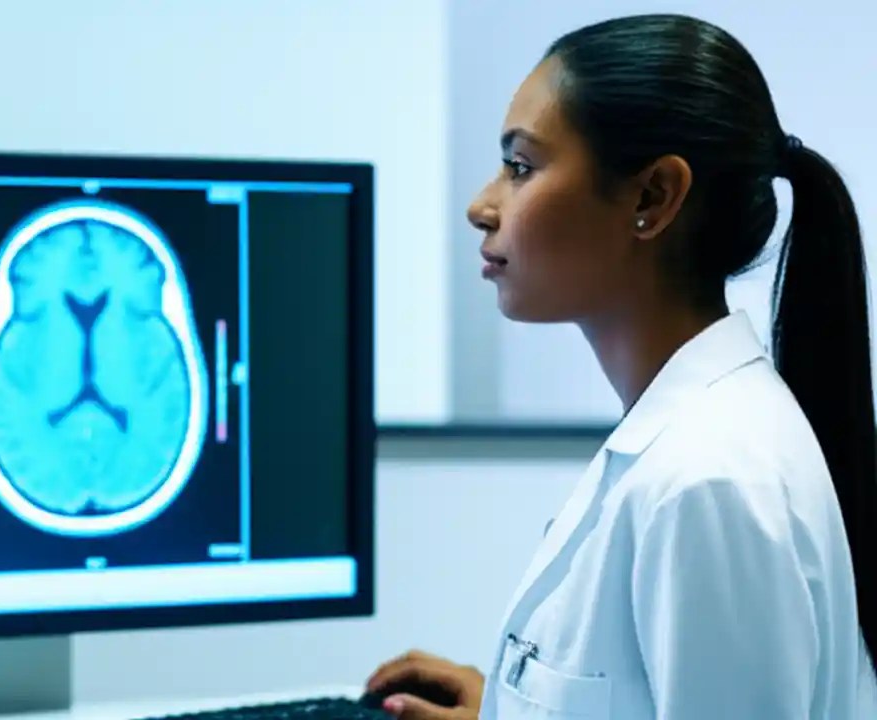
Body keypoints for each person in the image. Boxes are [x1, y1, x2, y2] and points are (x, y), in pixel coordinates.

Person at [364, 13, 877, 720]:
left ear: (651, 197)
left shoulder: (708, 480)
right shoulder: (682, 441)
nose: (481, 206)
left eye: (520, 167)